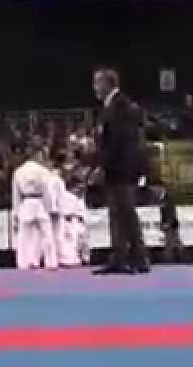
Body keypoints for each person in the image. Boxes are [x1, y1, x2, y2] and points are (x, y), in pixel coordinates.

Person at [92, 66, 149, 275]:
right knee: (117, 214)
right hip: (116, 168)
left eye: (97, 82)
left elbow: (119, 141)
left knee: (125, 213)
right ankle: (120, 257)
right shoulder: (110, 107)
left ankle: (139, 258)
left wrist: (103, 166)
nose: (94, 87)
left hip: (122, 169)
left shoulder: (122, 106)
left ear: (108, 84)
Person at [12, 147, 59, 270]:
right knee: (47, 234)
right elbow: (48, 191)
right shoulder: (42, 170)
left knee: (24, 236)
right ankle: (51, 262)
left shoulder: (18, 171)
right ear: (37, 156)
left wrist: (16, 212)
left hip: (26, 202)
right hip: (40, 202)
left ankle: (23, 263)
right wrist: (51, 208)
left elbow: (16, 195)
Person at [56, 178, 89, 268]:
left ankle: (84, 258)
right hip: (69, 220)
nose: (80, 189)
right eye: (78, 187)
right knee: (70, 241)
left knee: (82, 240)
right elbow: (64, 209)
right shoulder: (66, 196)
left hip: (80, 220)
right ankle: (68, 260)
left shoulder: (81, 198)